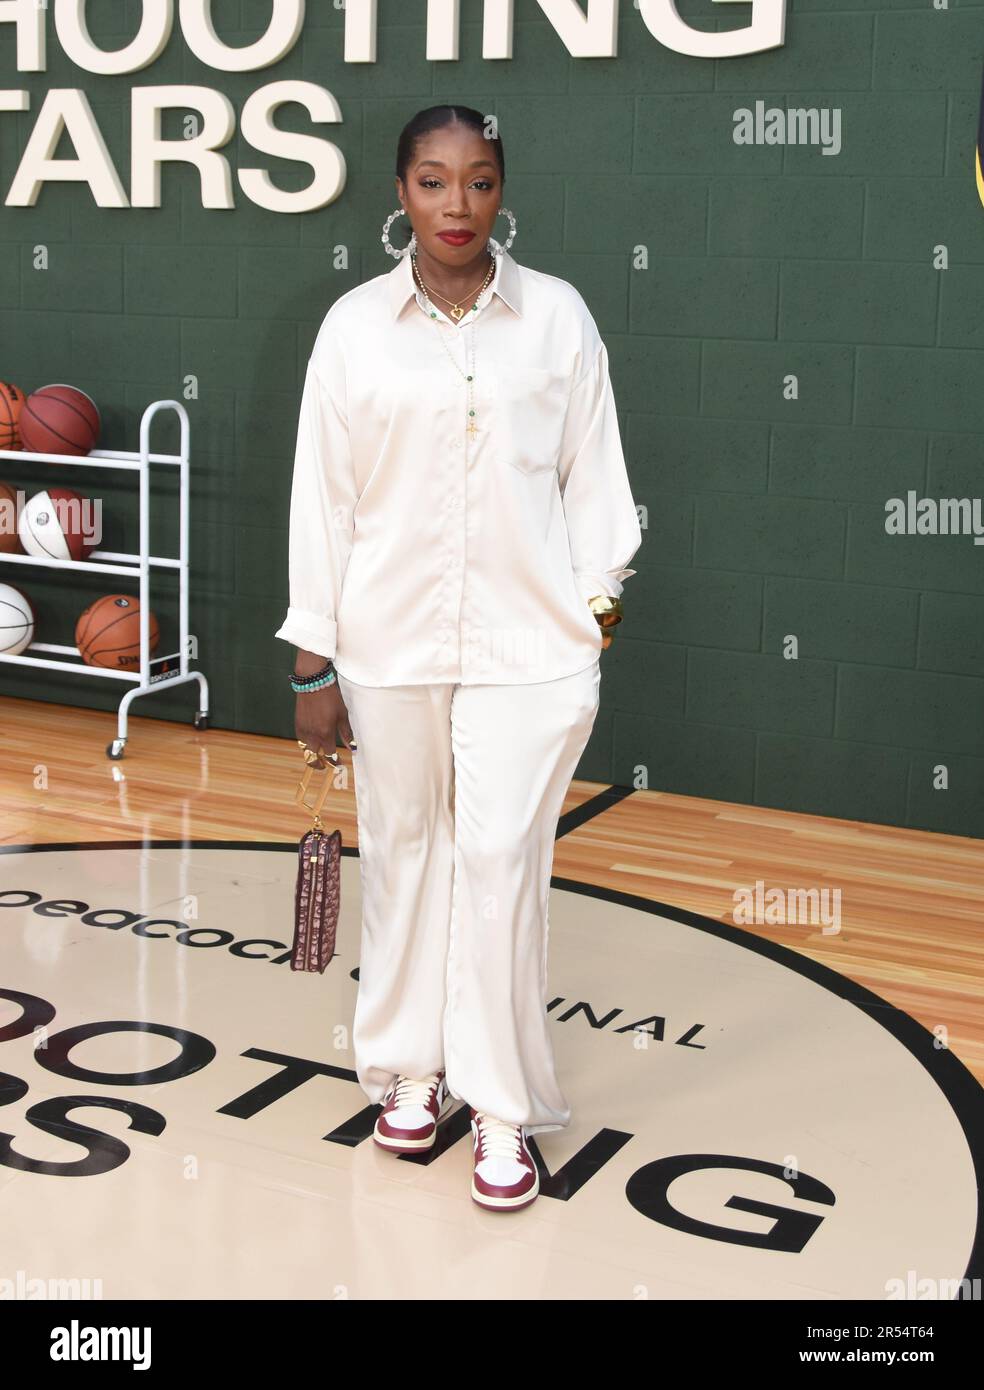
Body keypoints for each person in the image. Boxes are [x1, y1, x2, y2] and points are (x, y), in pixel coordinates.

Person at [275, 104, 642, 1213]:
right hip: (387, 645)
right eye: (434, 182)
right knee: (403, 850)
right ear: (401, 194)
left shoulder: (560, 318)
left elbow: (597, 479)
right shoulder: (350, 328)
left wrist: (592, 610)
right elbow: (322, 501)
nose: (457, 206)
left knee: (496, 864)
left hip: (532, 650)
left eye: (478, 181)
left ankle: (497, 1107)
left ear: (502, 192)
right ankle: (406, 1070)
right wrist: (312, 662)